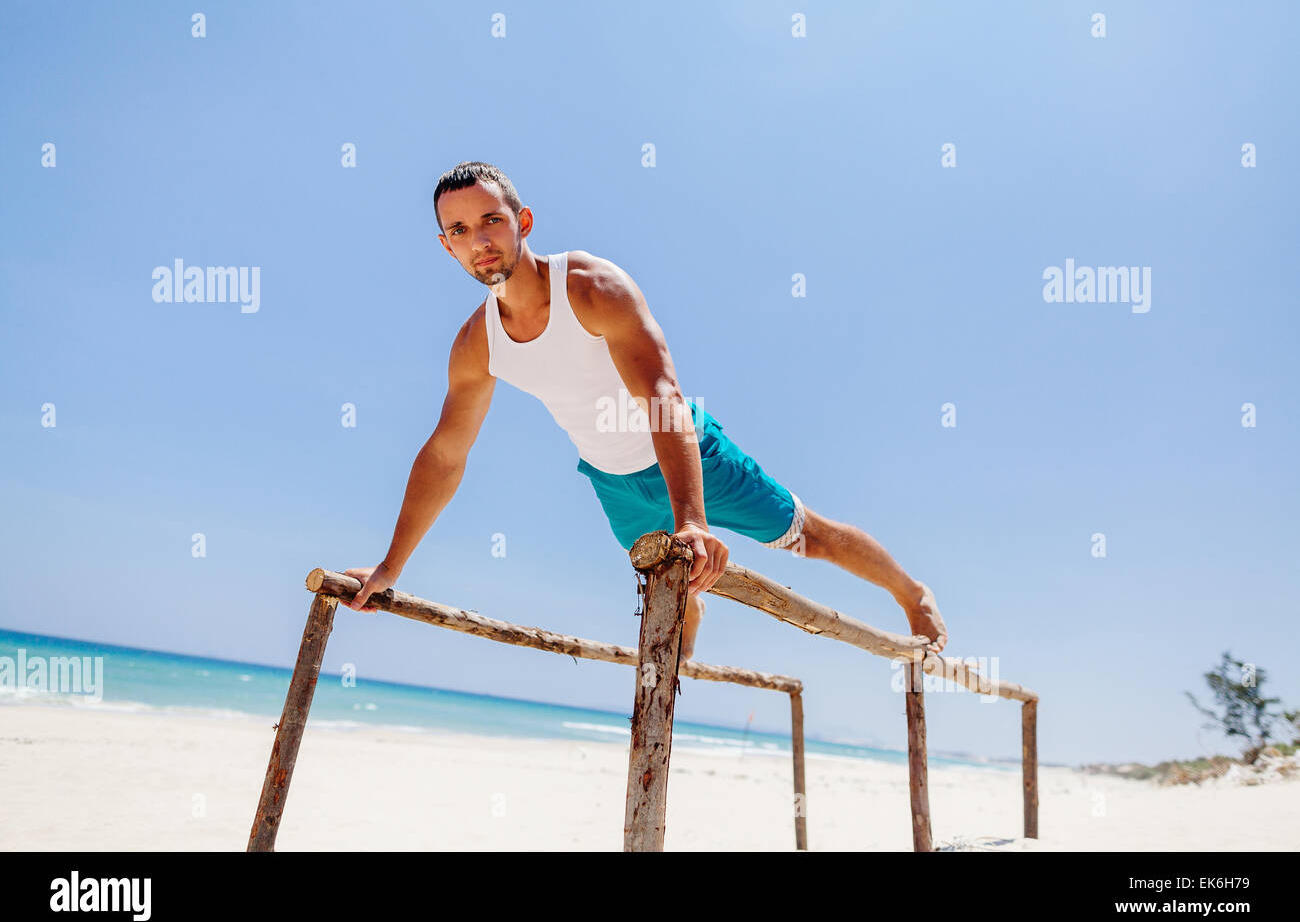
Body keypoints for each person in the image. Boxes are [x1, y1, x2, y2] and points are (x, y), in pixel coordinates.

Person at [345, 161, 947, 661]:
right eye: (458, 230)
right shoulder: (477, 345)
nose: (479, 240)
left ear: (522, 222)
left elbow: (662, 397)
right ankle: (684, 639)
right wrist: (391, 565)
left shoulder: (591, 288)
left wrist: (693, 519)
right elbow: (447, 454)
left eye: (491, 221)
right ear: (446, 245)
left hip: (689, 456)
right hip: (614, 483)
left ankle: (910, 591)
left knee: (806, 538)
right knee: (667, 585)